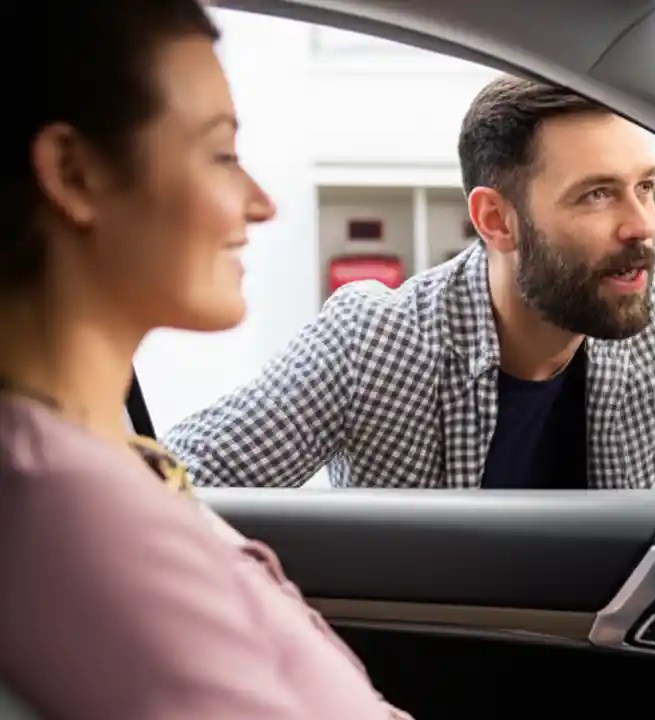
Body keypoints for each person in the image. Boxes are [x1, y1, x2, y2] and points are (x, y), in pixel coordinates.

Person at [0, 2, 411, 717]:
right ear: (72, 173)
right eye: (221, 154)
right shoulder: (73, 513)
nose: (260, 204)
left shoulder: (101, 461)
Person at [163, 75, 655, 490]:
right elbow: (179, 486)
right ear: (495, 220)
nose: (641, 225)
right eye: (597, 195)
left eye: (644, 187)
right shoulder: (375, 343)